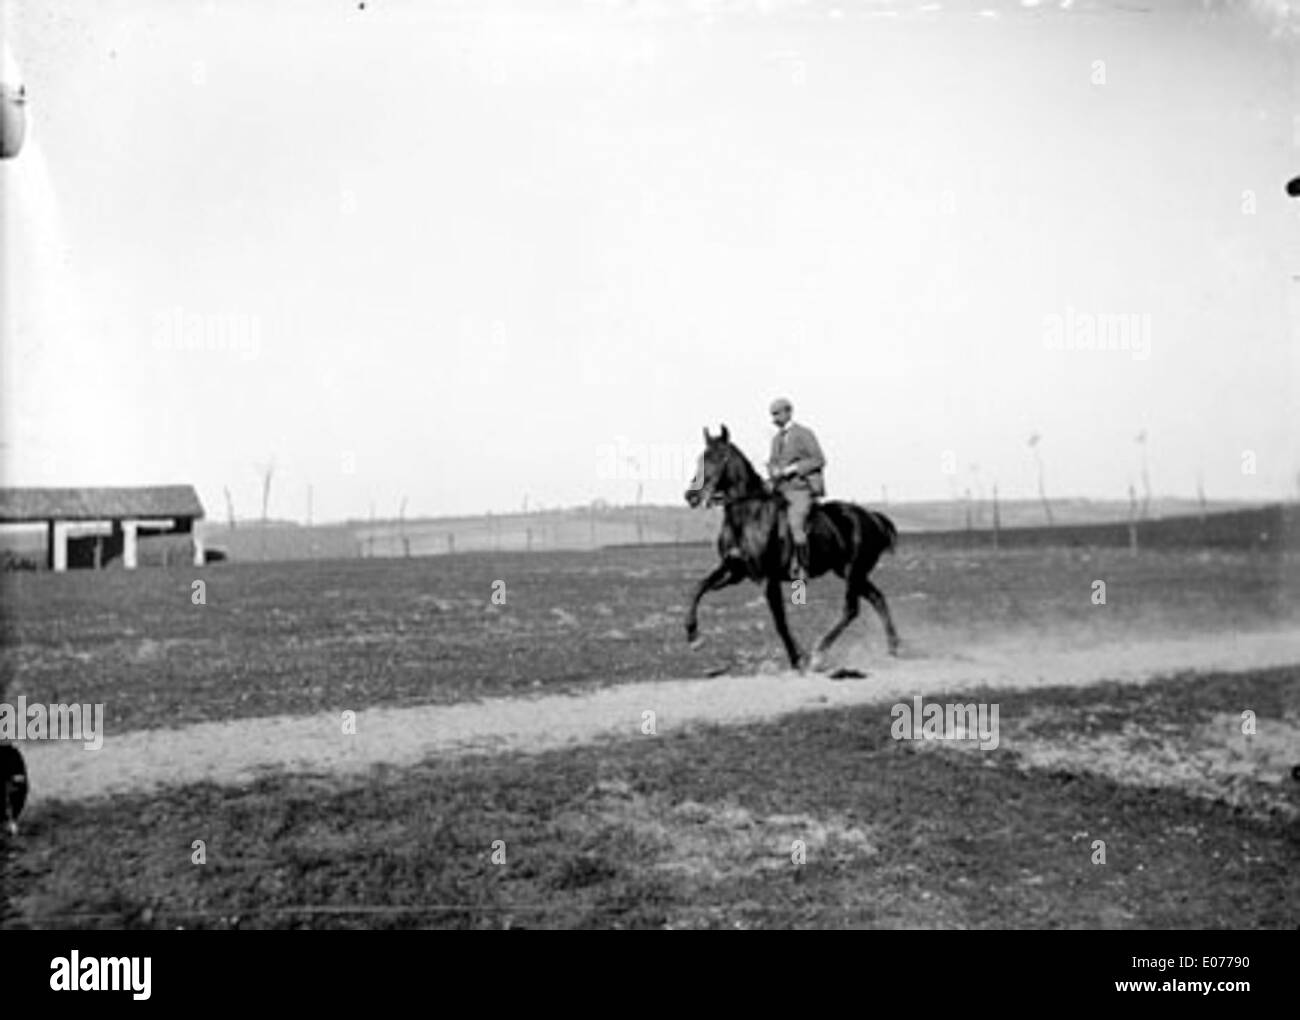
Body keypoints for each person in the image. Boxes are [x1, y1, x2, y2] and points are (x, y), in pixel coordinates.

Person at [766, 397, 826, 581]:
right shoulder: (776, 439)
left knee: (795, 525)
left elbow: (819, 459)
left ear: (788, 412)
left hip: (800, 489)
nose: (774, 419)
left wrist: (793, 469)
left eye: (777, 414)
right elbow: (773, 462)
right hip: (780, 489)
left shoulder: (804, 433)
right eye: (772, 415)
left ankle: (801, 572)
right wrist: (773, 470)